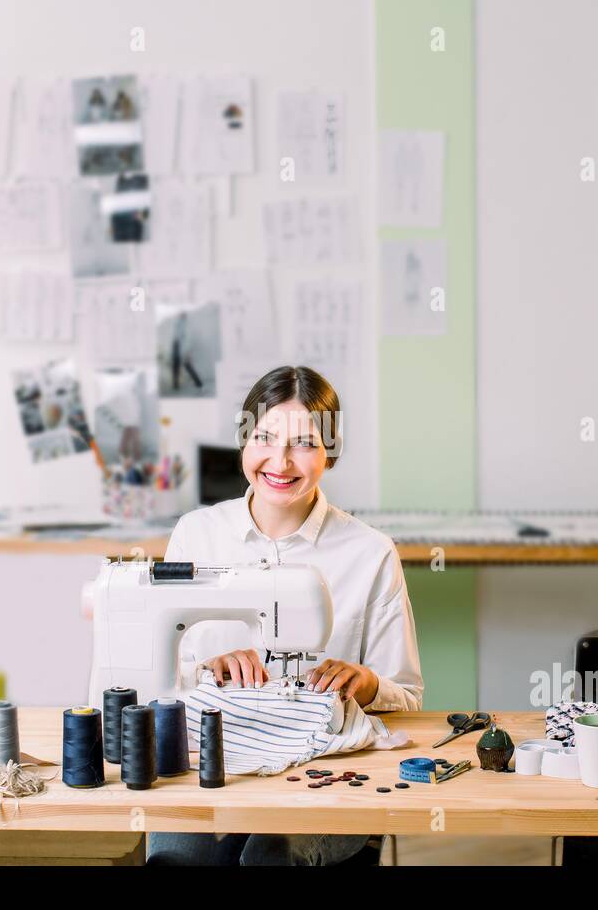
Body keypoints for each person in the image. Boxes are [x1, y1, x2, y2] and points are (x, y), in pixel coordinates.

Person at [146, 365, 422, 866]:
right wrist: (207, 670)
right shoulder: (196, 535)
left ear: (330, 452)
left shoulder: (370, 553)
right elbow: (158, 684)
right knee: (178, 860)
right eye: (265, 438)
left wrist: (366, 684)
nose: (280, 460)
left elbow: (406, 697)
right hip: (213, 758)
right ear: (243, 441)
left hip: (326, 768)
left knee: (271, 856)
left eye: (304, 443)